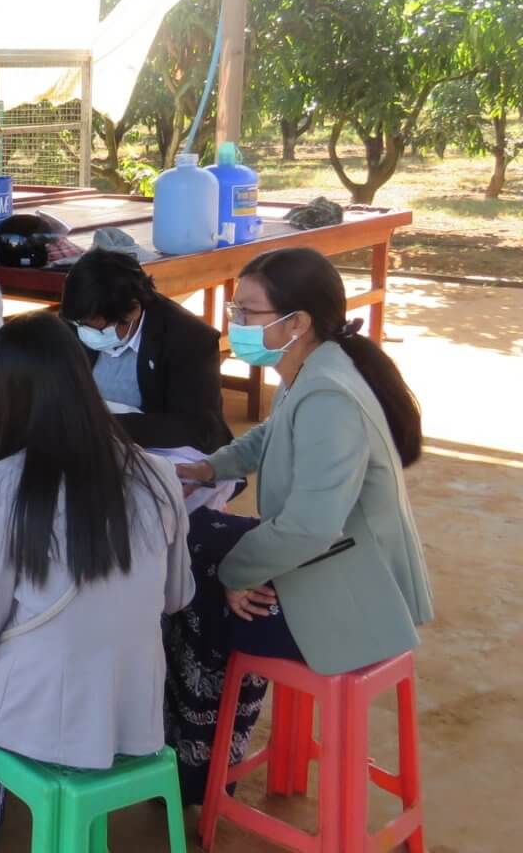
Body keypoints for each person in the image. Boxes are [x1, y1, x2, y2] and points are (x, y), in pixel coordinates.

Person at [0, 312, 190, 851]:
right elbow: (175, 597)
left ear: (2, 400)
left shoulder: (4, 484)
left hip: (34, 722)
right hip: (131, 717)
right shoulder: (160, 474)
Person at [167, 247, 433, 802]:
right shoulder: (313, 366)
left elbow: (311, 527)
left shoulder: (329, 396)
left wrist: (236, 574)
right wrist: (211, 467)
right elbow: (272, 435)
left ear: (297, 322)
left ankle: (200, 769)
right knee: (193, 538)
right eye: (235, 310)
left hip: (352, 597)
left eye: (247, 312)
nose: (235, 323)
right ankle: (201, 755)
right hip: (335, 563)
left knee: (191, 589)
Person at [59, 248, 232, 453]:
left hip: (159, 450)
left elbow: (197, 428)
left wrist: (103, 427)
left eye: (98, 328)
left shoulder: (188, 338)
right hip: (90, 443)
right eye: (80, 324)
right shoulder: (76, 320)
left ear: (133, 310)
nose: (85, 332)